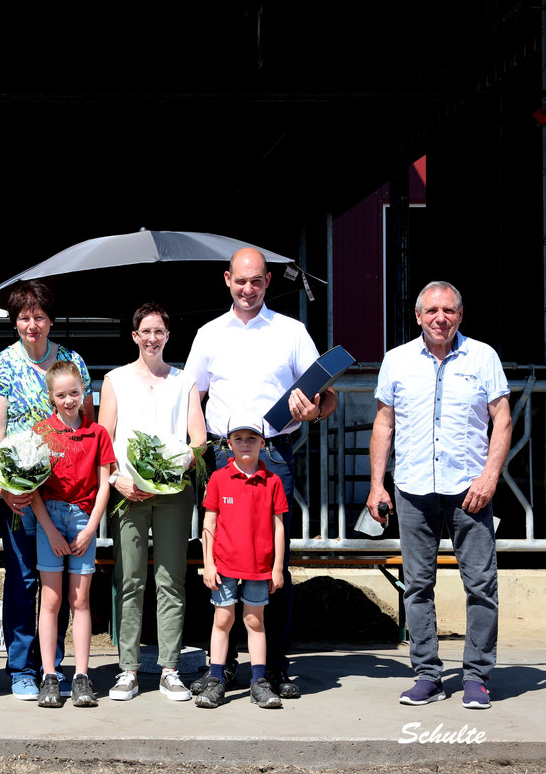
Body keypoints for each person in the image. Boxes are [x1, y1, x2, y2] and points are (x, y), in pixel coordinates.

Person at [184, 246, 337, 698]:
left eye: (256, 281)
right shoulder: (208, 334)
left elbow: (327, 396)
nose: (247, 289)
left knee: (274, 561)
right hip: (221, 458)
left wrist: (314, 410)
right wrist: (195, 449)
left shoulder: (291, 332)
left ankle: (273, 666)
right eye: (240, 281)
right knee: (224, 559)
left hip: (273, 456)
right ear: (226, 280)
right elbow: (193, 395)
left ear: (268, 281)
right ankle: (223, 665)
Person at [366, 281, 509, 710]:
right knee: (417, 586)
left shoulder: (483, 357)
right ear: (418, 316)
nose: (440, 318)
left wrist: (489, 478)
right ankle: (427, 674)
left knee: (481, 585)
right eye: (432, 311)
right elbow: (383, 424)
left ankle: (477, 677)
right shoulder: (397, 361)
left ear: (460, 315)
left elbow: (501, 421)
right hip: (412, 489)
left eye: (448, 310)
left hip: (471, 490)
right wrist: (377, 485)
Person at [0, 280, 94, 702]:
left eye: (40, 316)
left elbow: (87, 426)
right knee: (25, 578)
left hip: (67, 493)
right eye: (25, 317)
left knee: (59, 583)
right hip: (22, 495)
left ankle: (54, 666)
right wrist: (4, 487)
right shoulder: (1, 366)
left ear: (51, 319)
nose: (33, 324)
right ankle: (21, 668)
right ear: (16, 320)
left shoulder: (71, 360)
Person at [98, 302, 206, 703]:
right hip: (128, 492)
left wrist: (172, 471)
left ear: (167, 337)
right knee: (129, 579)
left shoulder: (185, 382)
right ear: (134, 336)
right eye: (145, 331)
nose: (152, 338)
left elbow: (197, 439)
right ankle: (127, 669)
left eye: (159, 331)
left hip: (173, 494)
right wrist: (116, 479)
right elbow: (103, 438)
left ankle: (170, 669)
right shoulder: (115, 380)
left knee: (171, 579)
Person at [27, 361, 116, 708]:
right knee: (50, 600)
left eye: (74, 393)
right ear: (51, 397)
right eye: (61, 395)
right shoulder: (41, 432)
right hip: (50, 517)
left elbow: (105, 481)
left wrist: (92, 526)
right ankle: (50, 674)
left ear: (84, 393)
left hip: (83, 518)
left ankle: (81, 676)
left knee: (80, 600)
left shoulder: (98, 434)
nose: (68, 400)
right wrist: (49, 530)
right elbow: (32, 486)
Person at [193, 412, 286, 710]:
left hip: (260, 567)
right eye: (238, 439)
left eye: (251, 438)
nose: (245, 444)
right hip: (224, 566)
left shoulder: (272, 482)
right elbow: (209, 523)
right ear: (228, 444)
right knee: (223, 619)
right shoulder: (219, 479)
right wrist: (208, 563)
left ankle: (258, 682)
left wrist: (276, 567)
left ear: (262, 442)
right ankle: (216, 680)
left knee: (254, 621)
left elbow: (279, 527)